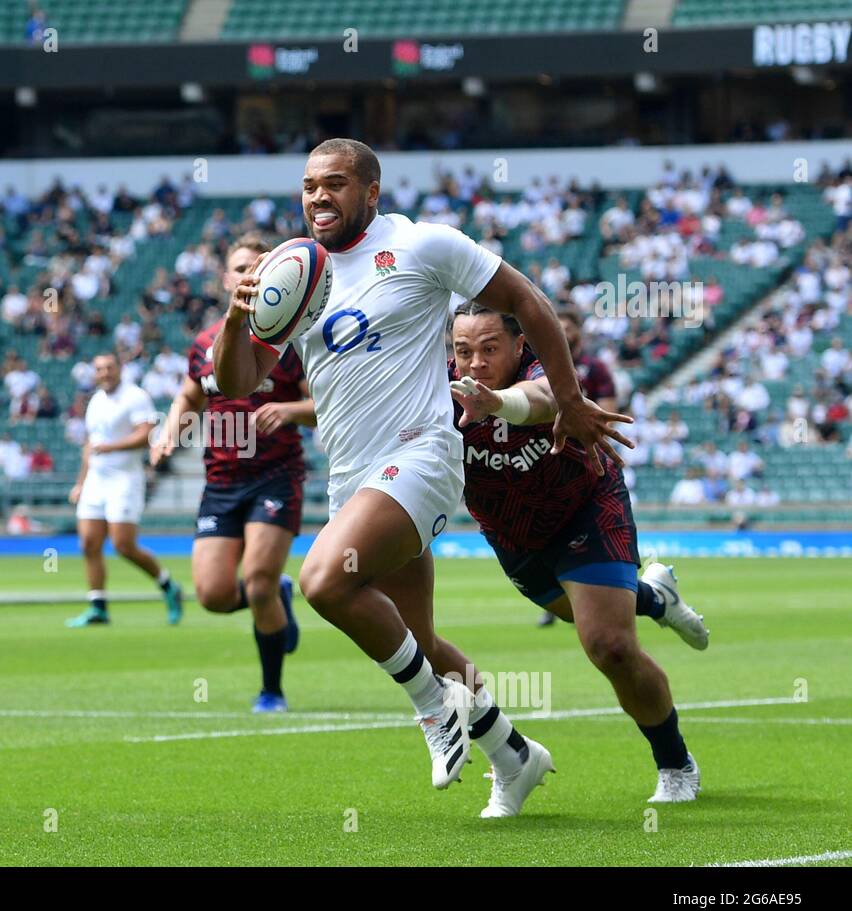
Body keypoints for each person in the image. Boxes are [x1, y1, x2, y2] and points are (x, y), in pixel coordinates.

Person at [214, 138, 619, 813]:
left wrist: (570, 399)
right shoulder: (298, 273)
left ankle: (433, 710)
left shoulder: (421, 245)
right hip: (354, 476)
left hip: (423, 457)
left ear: (370, 192)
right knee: (421, 641)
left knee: (321, 581)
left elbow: (530, 301)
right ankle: (514, 755)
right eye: (311, 184)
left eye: (336, 183)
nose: (319, 196)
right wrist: (236, 317)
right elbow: (240, 382)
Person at [448, 301, 710, 802]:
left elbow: (541, 399)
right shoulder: (438, 385)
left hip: (584, 505)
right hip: (513, 533)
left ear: (519, 345)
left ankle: (675, 762)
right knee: (585, 617)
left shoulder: (543, 368)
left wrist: (495, 402)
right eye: (464, 351)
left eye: (489, 349)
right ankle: (654, 597)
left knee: (609, 645)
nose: (475, 363)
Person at [151, 235, 314, 713]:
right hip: (220, 482)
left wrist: (287, 410)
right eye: (240, 268)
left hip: (276, 477)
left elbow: (325, 406)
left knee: (257, 580)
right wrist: (169, 435)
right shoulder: (205, 343)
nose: (248, 275)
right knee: (214, 595)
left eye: (257, 268)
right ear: (227, 279)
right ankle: (280, 598)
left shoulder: (289, 342)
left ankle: (272, 691)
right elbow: (190, 397)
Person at [67, 353, 183, 628]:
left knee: (123, 545)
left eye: (109, 367)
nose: (104, 373)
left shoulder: (135, 396)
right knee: (89, 543)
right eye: (99, 369)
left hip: (125, 479)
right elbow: (89, 446)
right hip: (96, 479)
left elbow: (146, 435)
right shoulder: (95, 401)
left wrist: (110, 448)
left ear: (119, 369)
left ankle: (168, 586)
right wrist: (81, 482)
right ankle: (98, 606)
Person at [537, 309, 620, 626]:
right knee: (546, 531)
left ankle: (614, 592)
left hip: (585, 461)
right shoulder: (540, 365)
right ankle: (555, 599)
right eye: (558, 326)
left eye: (568, 327)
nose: (563, 331)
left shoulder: (595, 369)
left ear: (579, 332)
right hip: (548, 459)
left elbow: (608, 413)